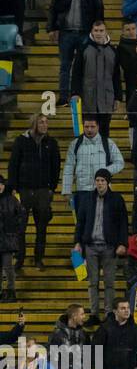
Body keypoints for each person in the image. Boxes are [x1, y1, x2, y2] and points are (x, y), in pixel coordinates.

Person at [48, 0, 104, 104]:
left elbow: (99, 8)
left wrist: (98, 28)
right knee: (64, 66)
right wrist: (52, 28)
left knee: (84, 66)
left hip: (85, 32)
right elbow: (53, 8)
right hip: (65, 32)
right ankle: (64, 97)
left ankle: (81, 95)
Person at [8, 114, 58, 271]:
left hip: (43, 191)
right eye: (41, 122)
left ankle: (38, 259)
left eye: (46, 122)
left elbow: (56, 167)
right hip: (24, 190)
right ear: (33, 124)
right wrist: (13, 188)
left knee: (41, 228)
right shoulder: (21, 141)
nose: (44, 125)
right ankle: (20, 258)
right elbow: (13, 165)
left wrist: (52, 188)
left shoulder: (52, 142)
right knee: (20, 228)